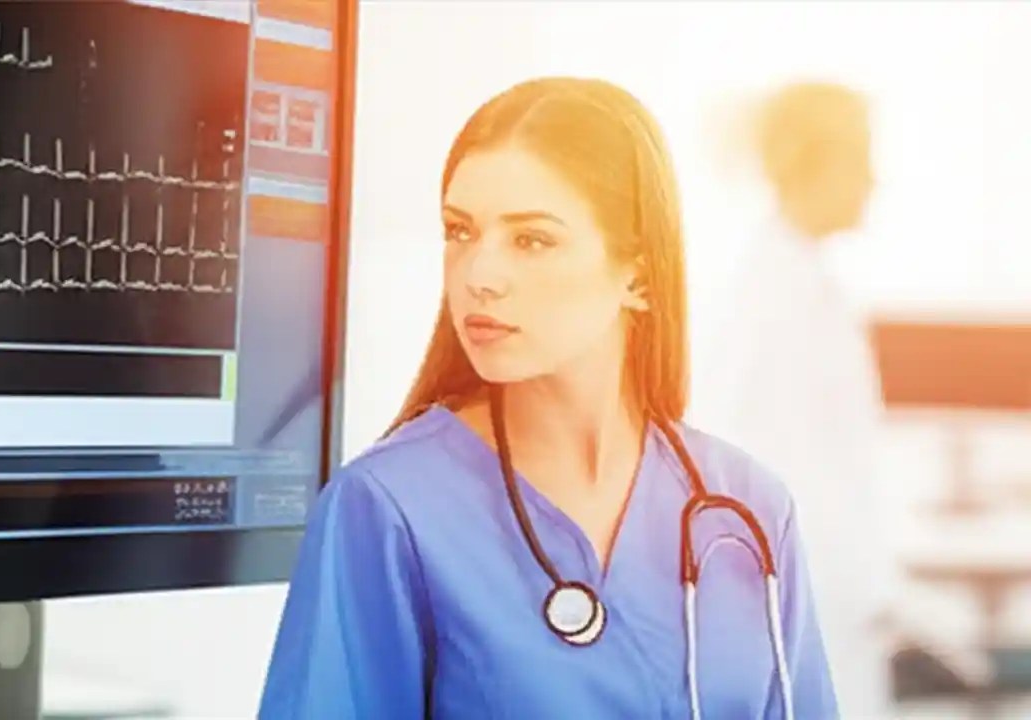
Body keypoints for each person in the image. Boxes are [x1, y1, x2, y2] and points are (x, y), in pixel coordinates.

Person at [258, 76, 838, 719]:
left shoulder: (748, 513)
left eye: (531, 239)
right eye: (460, 231)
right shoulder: (388, 510)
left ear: (638, 274)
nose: (479, 275)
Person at [712, 81, 896, 719]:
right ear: (818, 165)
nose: (874, 180)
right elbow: (784, 463)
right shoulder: (774, 294)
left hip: (833, 593)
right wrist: (866, 584)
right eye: (863, 159)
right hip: (813, 594)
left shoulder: (807, 280)